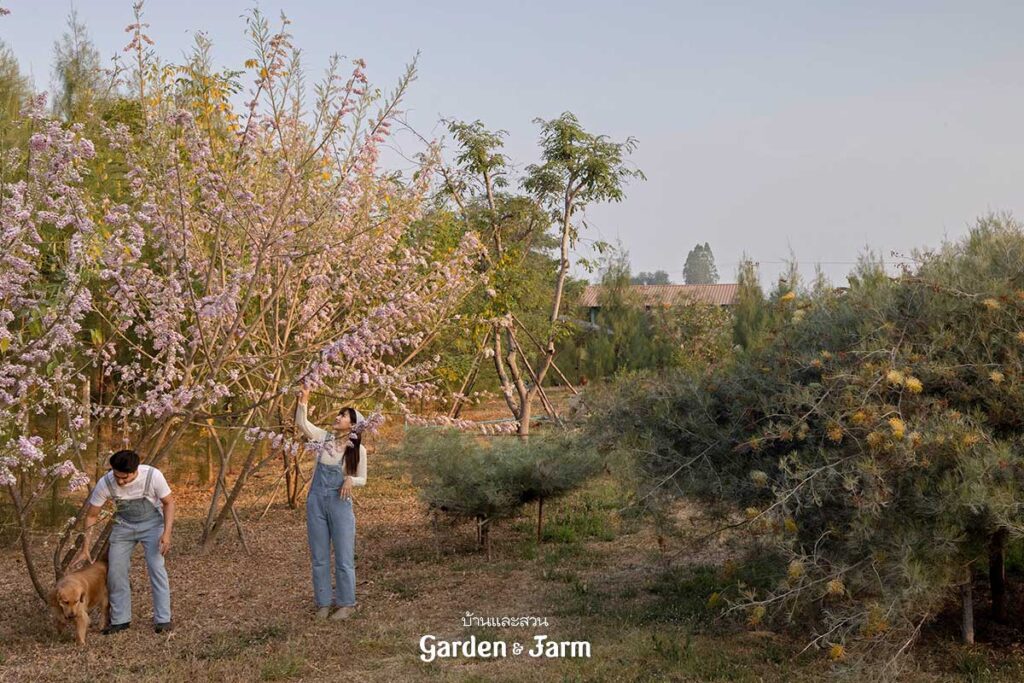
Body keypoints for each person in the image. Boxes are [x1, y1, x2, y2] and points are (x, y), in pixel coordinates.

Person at [73, 449, 175, 634]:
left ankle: (163, 619)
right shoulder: (106, 483)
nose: (120, 481)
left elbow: (169, 503)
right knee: (116, 571)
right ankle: (121, 620)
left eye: (125, 478)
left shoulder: (153, 476)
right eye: (117, 476)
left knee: (156, 567)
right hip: (123, 526)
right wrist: (86, 547)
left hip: (153, 525)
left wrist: (166, 534)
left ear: (136, 470)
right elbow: (91, 516)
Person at [295, 386, 367, 620]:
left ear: (353, 425)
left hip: (340, 504)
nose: (338, 417)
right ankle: (323, 602)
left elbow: (363, 479)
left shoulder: (358, 450)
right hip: (316, 501)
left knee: (344, 555)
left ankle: (347, 603)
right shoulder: (323, 439)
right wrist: (304, 401)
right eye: (339, 413)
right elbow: (303, 424)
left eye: (344, 415)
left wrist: (350, 480)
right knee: (319, 555)